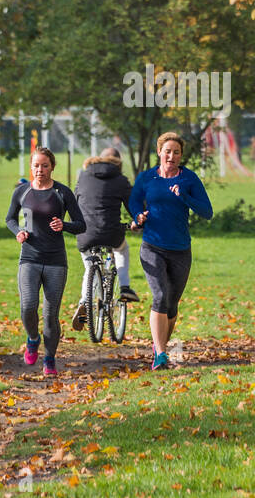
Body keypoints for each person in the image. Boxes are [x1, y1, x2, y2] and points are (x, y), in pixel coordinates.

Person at [130, 132, 214, 370]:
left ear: (180, 155)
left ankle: (161, 350)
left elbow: (207, 212)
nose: (172, 155)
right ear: (159, 152)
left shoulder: (189, 179)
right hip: (152, 246)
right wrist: (138, 215)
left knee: (172, 304)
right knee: (159, 296)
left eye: (176, 152)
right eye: (167, 151)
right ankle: (161, 356)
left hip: (180, 249)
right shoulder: (147, 178)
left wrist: (185, 196)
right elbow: (134, 201)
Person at [6, 146, 86, 376]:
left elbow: (81, 224)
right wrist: (18, 232)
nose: (40, 170)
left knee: (50, 315)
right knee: (28, 306)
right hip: (29, 258)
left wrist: (65, 225)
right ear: (31, 167)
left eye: (44, 165)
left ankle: (49, 358)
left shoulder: (62, 192)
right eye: (36, 166)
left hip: (55, 261)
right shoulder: (22, 191)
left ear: (52, 167)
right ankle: (33, 338)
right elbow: (10, 218)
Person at [71, 147, 138, 331]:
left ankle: (84, 301)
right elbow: (133, 206)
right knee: (122, 250)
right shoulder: (120, 180)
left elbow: (75, 201)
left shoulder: (83, 176)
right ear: (118, 162)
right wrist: (136, 222)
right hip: (111, 232)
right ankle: (124, 287)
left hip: (85, 233)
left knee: (88, 267)